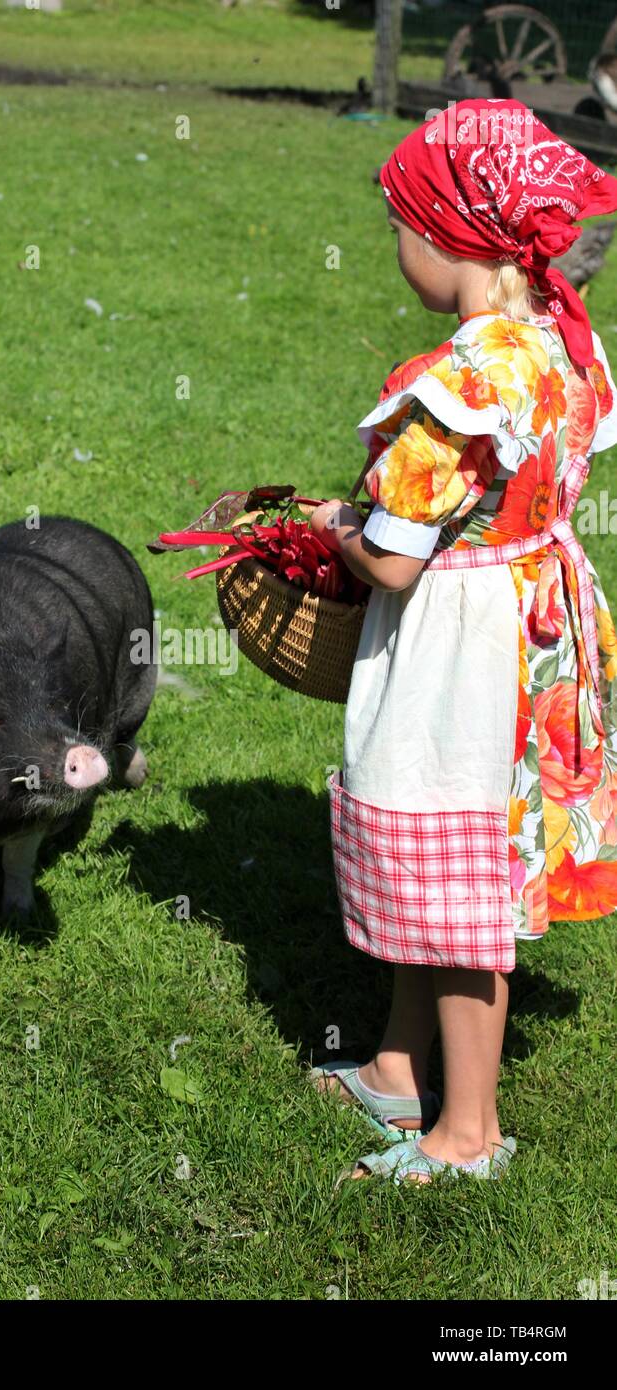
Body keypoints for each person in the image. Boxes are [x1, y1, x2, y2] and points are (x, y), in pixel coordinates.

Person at [308, 99, 617, 1185]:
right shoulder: (561, 345)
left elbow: (393, 557)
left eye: (400, 223)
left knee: (457, 873)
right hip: (538, 621)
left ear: (451, 237)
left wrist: (327, 531)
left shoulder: (458, 385)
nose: (395, 246)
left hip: (460, 645)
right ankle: (396, 1064)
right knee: (439, 855)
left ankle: (465, 1132)